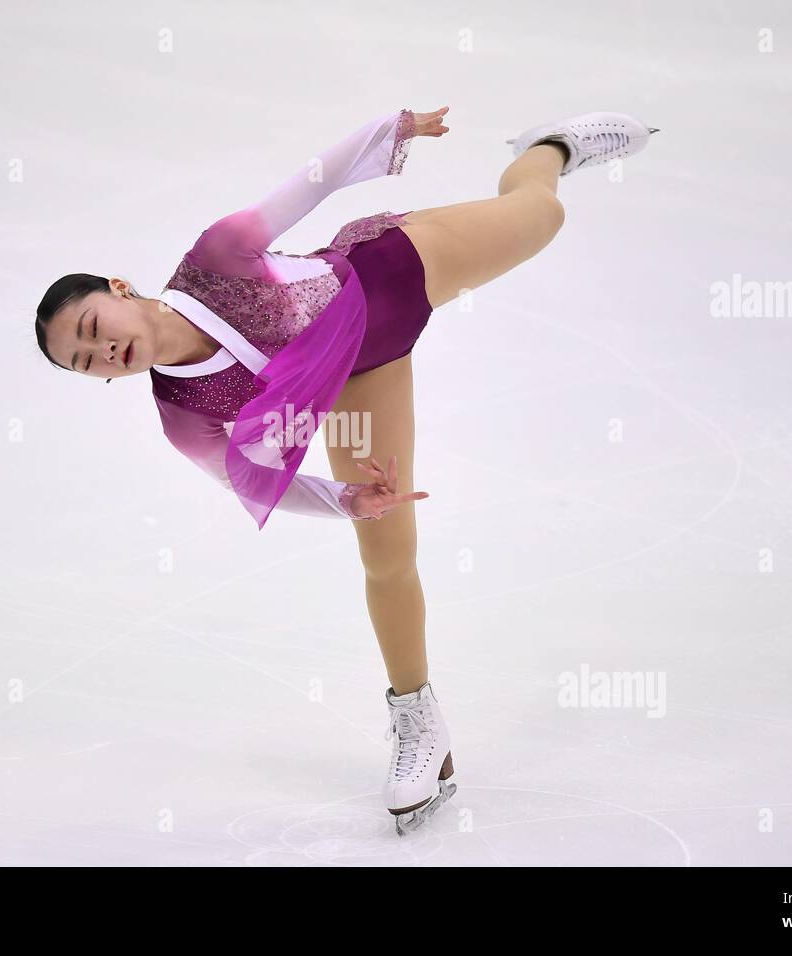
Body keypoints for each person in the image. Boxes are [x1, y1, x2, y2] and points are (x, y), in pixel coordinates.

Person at [35, 107, 657, 834]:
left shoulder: (215, 258)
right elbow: (255, 481)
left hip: (393, 273)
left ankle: (548, 149)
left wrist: (392, 132)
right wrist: (344, 500)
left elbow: (311, 185)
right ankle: (419, 724)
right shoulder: (184, 417)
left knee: (539, 216)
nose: (101, 352)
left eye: (90, 330)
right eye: (84, 361)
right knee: (388, 549)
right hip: (361, 384)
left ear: (117, 289)